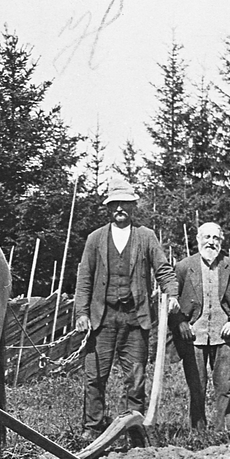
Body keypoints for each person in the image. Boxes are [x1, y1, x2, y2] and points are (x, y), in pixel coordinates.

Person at [74, 184, 178, 443]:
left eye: (125, 204)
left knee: (135, 376)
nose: (120, 209)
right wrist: (82, 313)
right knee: (95, 375)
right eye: (114, 204)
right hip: (103, 319)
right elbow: (84, 277)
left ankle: (131, 428)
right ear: (108, 208)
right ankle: (93, 426)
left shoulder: (146, 236)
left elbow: (163, 269)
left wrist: (172, 293)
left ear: (133, 207)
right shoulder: (96, 238)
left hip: (135, 318)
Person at [171, 222, 230, 431]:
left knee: (225, 386)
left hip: (224, 337)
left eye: (216, 238)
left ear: (222, 241)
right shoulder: (184, 267)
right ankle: (198, 431)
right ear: (198, 239)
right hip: (194, 337)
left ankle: (224, 431)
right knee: (196, 386)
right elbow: (169, 301)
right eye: (207, 237)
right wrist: (181, 322)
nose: (211, 242)